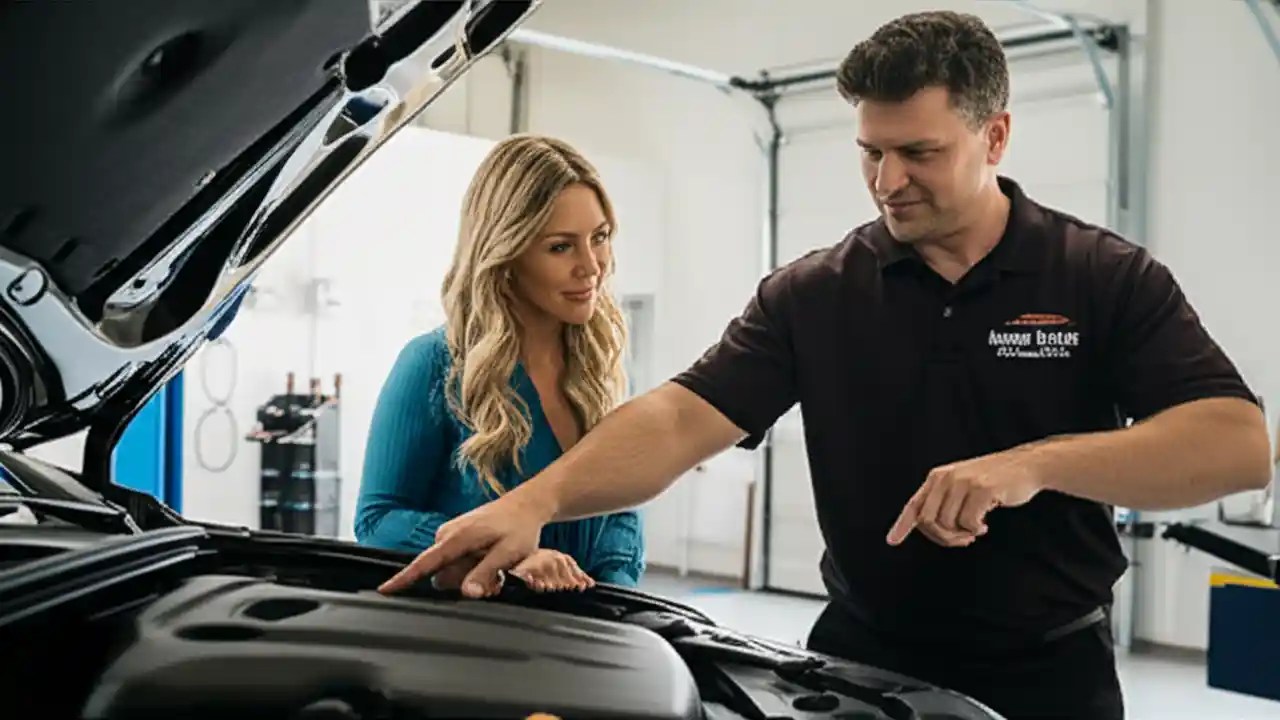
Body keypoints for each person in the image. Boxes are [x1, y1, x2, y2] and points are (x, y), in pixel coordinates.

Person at [375, 12, 1272, 719]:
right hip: (862, 663)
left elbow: (1236, 444)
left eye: (919, 153)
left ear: (994, 138)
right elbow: (684, 416)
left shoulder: (1100, 277)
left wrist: (1034, 465)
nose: (887, 182)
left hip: (1053, 674)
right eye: (870, 152)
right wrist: (536, 501)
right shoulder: (816, 293)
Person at [353, 133, 645, 591]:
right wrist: (510, 553)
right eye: (560, 246)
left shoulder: (595, 365)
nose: (592, 266)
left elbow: (620, 504)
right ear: (506, 252)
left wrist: (614, 588)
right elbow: (377, 520)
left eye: (600, 237)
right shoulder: (432, 365)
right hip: (479, 636)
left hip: (588, 633)